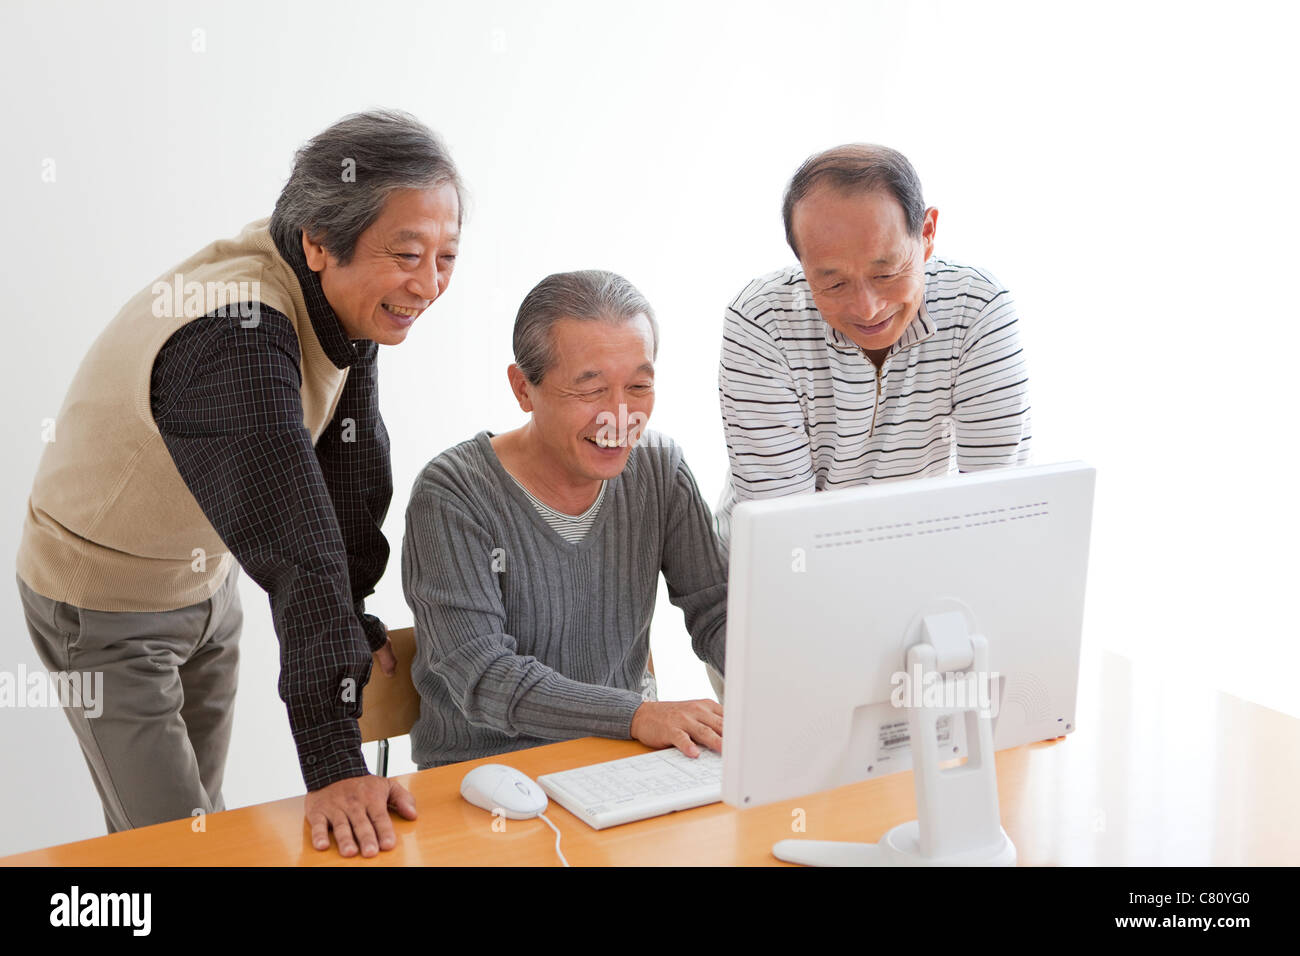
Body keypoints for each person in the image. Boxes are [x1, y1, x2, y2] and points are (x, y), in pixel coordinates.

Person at [15, 109, 462, 858]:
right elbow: (298, 544)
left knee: (207, 827)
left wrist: (350, 614)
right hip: (101, 604)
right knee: (172, 852)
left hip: (203, 584)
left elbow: (347, 471)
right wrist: (334, 763)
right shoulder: (238, 337)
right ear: (320, 242)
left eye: (447, 256)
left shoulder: (339, 290)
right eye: (408, 254)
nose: (429, 284)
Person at [709, 143, 1032, 697]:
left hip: (919, 593)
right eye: (832, 282)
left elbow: (995, 508)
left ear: (926, 233)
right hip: (776, 599)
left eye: (887, 272)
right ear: (801, 262)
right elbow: (789, 536)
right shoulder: (759, 322)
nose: (866, 307)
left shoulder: (978, 310)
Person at [401, 270, 727, 768]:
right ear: (522, 389)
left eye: (639, 386)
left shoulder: (659, 468)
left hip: (624, 762)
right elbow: (484, 675)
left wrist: (790, 690)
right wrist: (635, 715)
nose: (620, 417)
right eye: (591, 391)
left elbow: (716, 611)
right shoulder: (453, 493)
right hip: (486, 774)